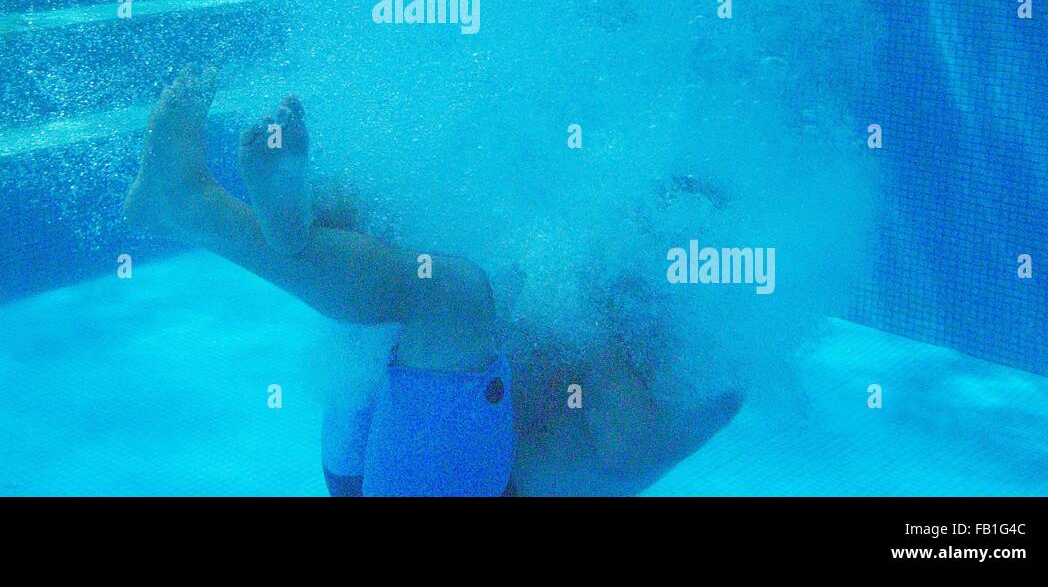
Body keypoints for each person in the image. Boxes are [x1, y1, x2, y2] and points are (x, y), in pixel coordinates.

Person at [125, 66, 741, 496]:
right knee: (391, 221)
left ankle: (196, 208)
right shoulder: (603, 317)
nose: (628, 243)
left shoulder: (667, 385)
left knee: (455, 294)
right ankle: (289, 225)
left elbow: (623, 446)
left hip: (441, 481)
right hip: (384, 451)